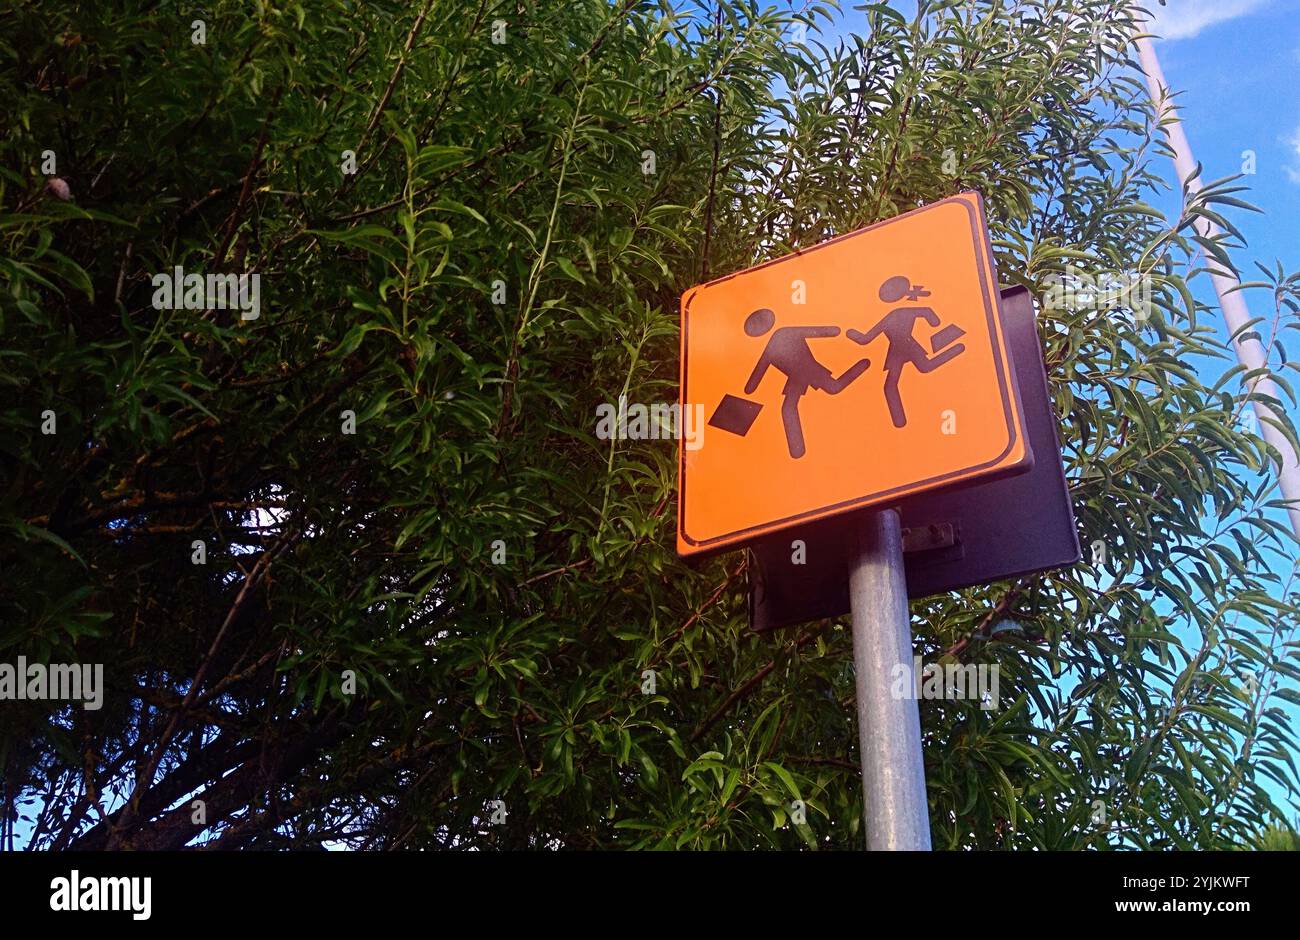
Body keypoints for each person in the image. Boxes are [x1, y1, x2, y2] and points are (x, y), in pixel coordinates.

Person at [742, 308, 871, 458]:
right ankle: (797, 450)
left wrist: (833, 331)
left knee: (834, 388)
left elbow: (813, 331)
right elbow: (760, 369)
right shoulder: (773, 343)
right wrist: (751, 386)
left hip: (810, 369)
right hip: (795, 379)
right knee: (788, 407)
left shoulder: (783, 334)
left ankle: (862, 366)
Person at [847, 275, 966, 428]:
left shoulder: (897, 314)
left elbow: (866, 338)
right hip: (899, 349)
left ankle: (957, 349)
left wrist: (853, 334)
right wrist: (852, 334)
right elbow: (866, 338)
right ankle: (899, 422)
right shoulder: (894, 315)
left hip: (905, 347)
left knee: (917, 371)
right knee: (898, 380)